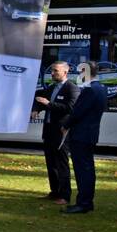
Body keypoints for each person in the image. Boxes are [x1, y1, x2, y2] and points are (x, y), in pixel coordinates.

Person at [60, 65, 107, 214]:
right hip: (89, 134)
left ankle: (84, 203)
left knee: (83, 170)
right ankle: (86, 201)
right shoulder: (100, 88)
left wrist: (66, 125)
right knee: (87, 169)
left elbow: (78, 112)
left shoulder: (90, 90)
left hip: (82, 134)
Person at [35, 61, 78, 205]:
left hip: (61, 132)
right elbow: (41, 101)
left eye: (56, 71)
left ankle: (65, 196)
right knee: (51, 163)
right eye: (52, 70)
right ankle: (54, 192)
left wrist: (48, 104)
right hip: (48, 131)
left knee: (62, 164)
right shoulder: (51, 88)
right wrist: (37, 109)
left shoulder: (72, 88)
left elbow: (71, 108)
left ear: (65, 72)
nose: (52, 73)